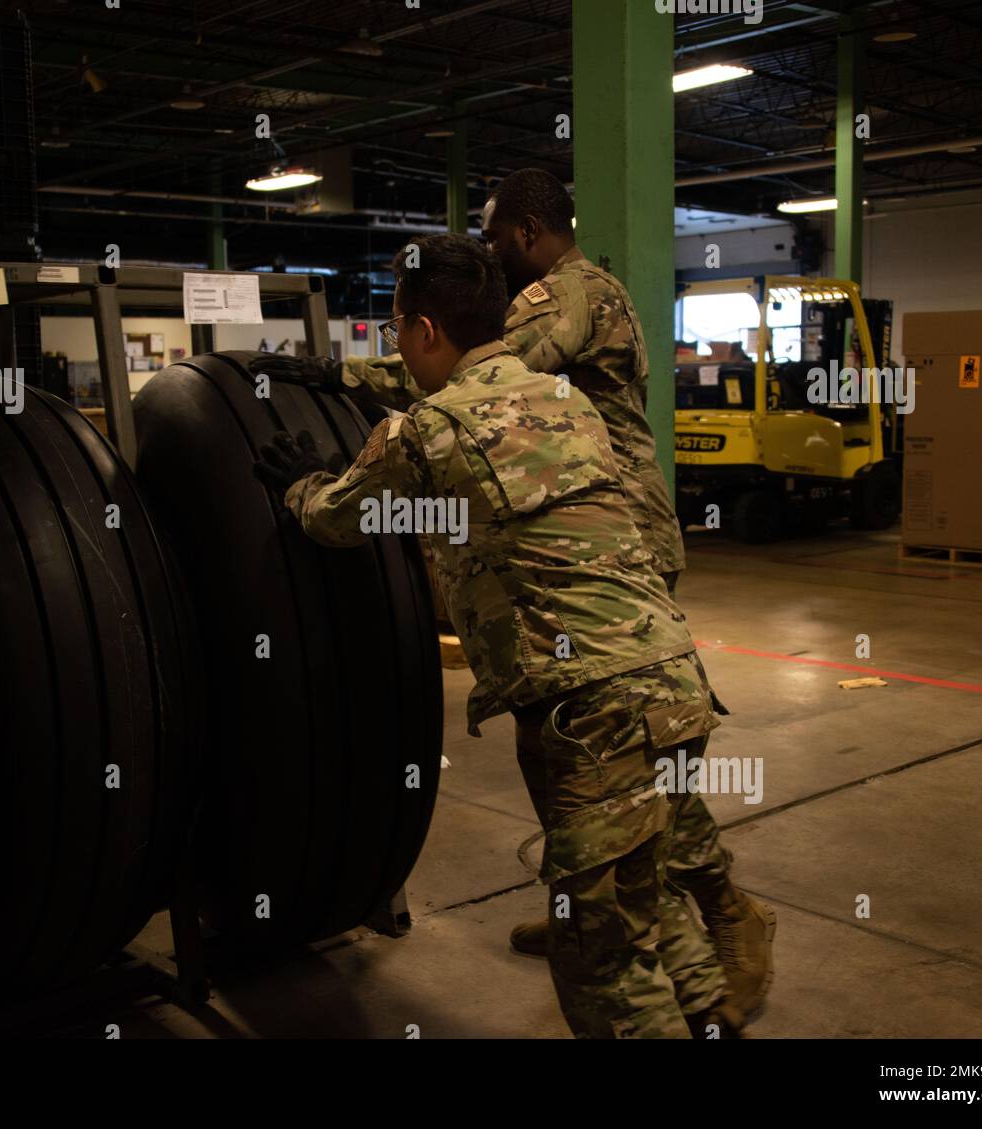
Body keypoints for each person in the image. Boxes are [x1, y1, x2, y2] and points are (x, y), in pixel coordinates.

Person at [248, 171, 774, 1017]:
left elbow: (338, 517)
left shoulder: (438, 423)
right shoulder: (566, 403)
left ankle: (689, 932)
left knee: (605, 967)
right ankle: (708, 1004)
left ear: (420, 330)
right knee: (640, 867)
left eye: (397, 329)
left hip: (593, 698)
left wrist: (301, 484)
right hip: (671, 672)